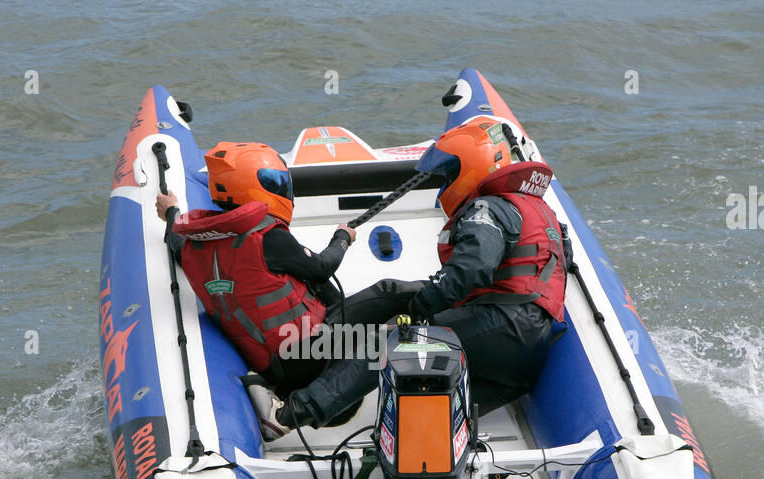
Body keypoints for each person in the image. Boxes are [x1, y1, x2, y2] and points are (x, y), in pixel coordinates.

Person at [262, 116, 569, 438]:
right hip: (525, 352)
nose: (445, 182)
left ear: (473, 166)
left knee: (387, 343)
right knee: (392, 296)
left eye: (449, 174)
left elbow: (472, 268)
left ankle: (286, 416)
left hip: (502, 326)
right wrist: (421, 306)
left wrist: (418, 313)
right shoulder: (541, 211)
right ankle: (312, 349)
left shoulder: (487, 208)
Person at [157, 141, 419, 405]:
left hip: (275, 366)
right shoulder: (268, 239)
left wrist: (171, 211)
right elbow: (321, 267)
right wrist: (342, 237)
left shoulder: (192, 245)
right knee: (389, 292)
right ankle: (448, 303)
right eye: (273, 181)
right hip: (309, 356)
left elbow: (174, 237)